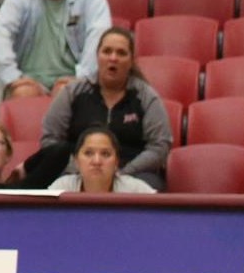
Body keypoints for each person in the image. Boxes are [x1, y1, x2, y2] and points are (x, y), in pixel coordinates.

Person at [26, 27, 171, 190]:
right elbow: (50, 139)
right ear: (97, 56)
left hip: (132, 173)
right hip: (75, 171)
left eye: (121, 53)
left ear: (131, 61)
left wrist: (122, 172)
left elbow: (159, 146)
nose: (113, 58)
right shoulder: (72, 92)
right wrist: (80, 168)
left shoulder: (146, 97)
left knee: (152, 186)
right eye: (107, 51)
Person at [45, 126, 157, 194]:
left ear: (116, 162)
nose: (97, 161)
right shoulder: (63, 186)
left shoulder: (136, 190)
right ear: (76, 161)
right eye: (88, 153)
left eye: (105, 154)